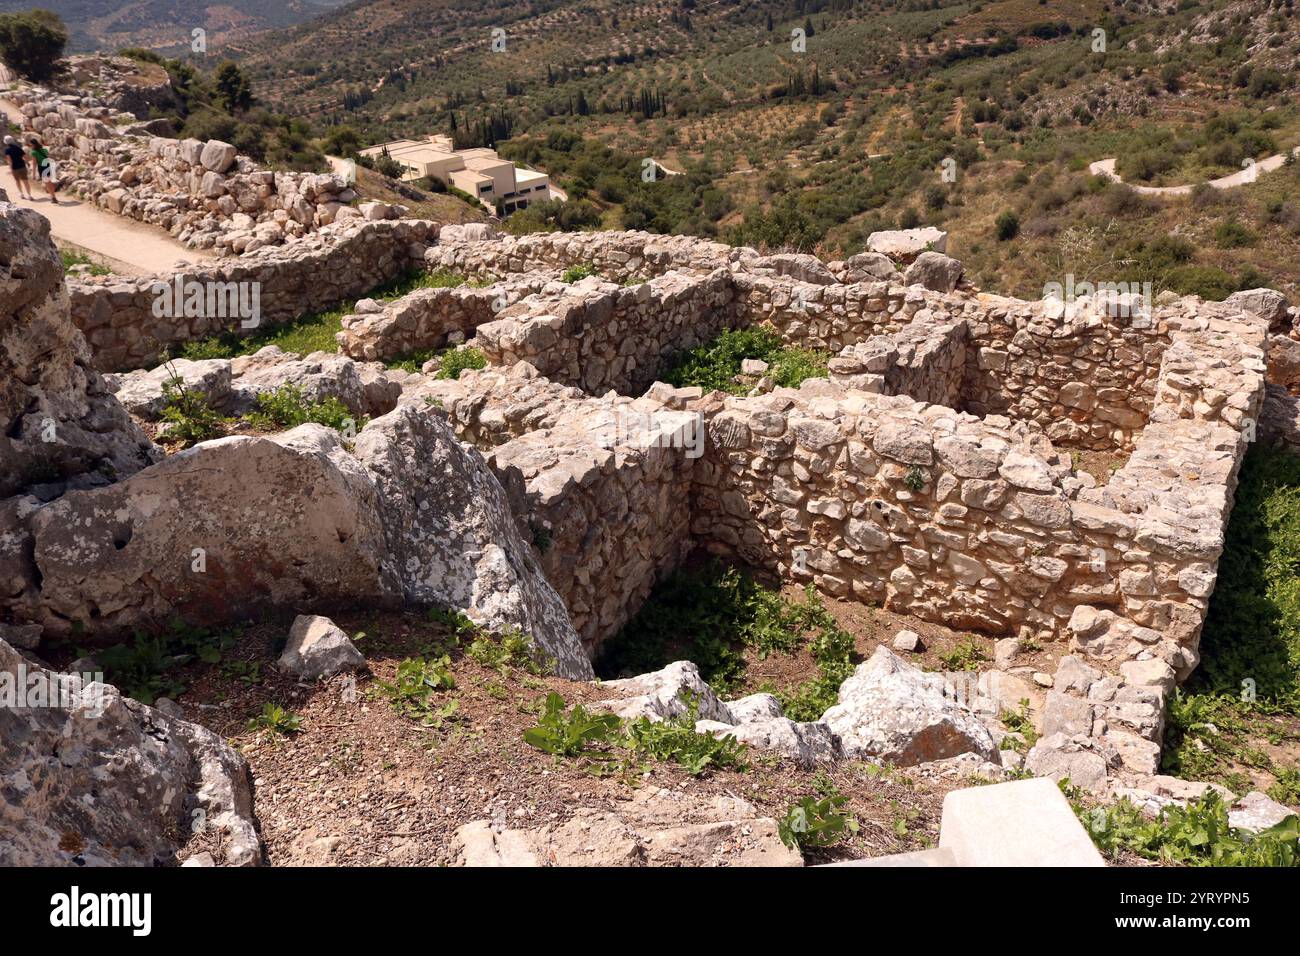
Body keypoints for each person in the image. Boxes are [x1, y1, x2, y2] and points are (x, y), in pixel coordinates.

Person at [27, 137, 57, 204]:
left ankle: (53, 197)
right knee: (49, 182)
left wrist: (34, 174)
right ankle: (52, 195)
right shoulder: (44, 150)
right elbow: (48, 157)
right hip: (48, 165)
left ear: (33, 145)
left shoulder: (33, 152)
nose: (30, 146)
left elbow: (34, 164)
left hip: (42, 167)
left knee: (47, 182)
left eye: (31, 145)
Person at [3, 135, 34, 200]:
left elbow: (9, 160)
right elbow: (25, 157)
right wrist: (27, 162)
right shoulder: (18, 148)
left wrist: (11, 169)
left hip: (15, 168)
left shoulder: (7, 150)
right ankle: (29, 195)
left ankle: (21, 194)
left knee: (17, 181)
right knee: (25, 181)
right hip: (22, 166)